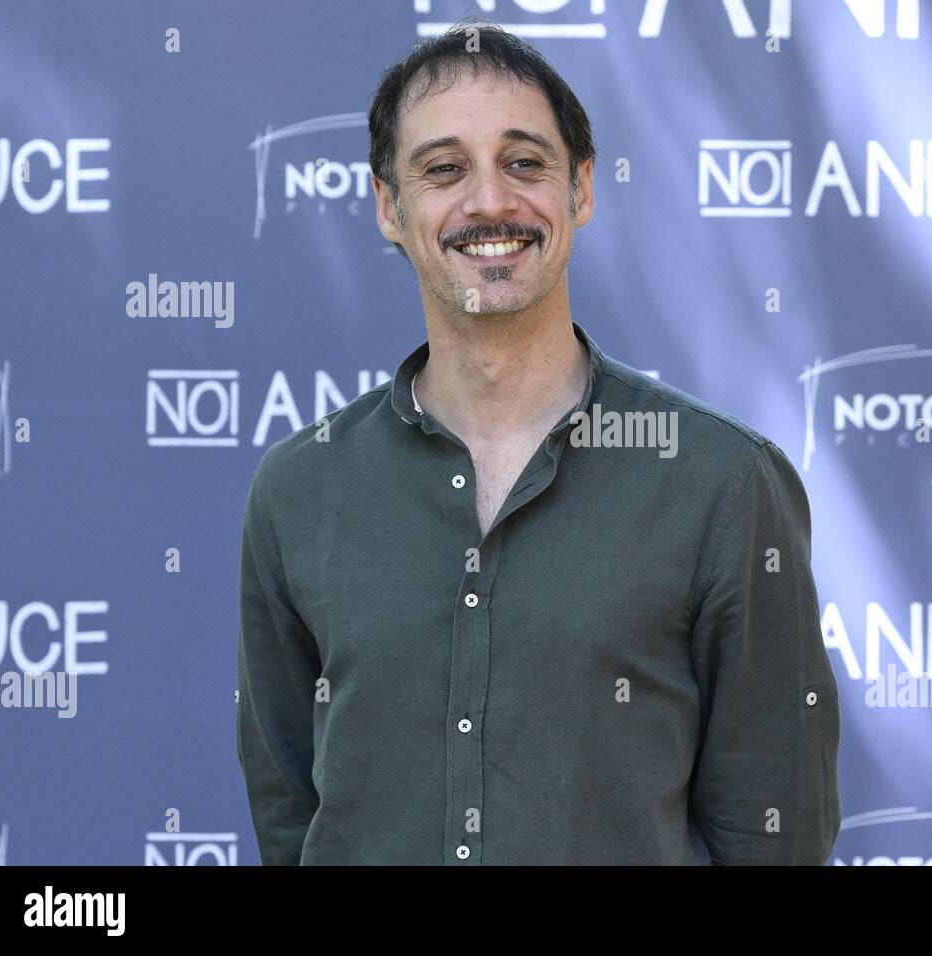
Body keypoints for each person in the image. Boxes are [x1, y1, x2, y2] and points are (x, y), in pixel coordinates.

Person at [236, 17, 840, 865]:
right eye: (444, 169)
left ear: (581, 190)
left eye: (525, 162)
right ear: (389, 208)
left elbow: (775, 832)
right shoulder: (299, 490)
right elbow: (291, 813)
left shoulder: (722, 485)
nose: (489, 201)